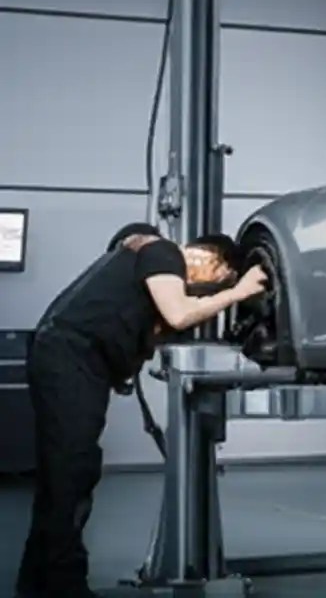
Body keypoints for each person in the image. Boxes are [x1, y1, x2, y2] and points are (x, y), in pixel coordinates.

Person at [15, 223, 267, 598]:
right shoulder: (163, 252)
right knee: (72, 471)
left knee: (64, 473)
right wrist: (239, 291)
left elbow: (147, 323)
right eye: (220, 277)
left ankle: (38, 582)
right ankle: (61, 586)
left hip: (73, 359)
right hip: (70, 358)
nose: (211, 287)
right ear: (209, 258)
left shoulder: (147, 262)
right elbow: (180, 314)